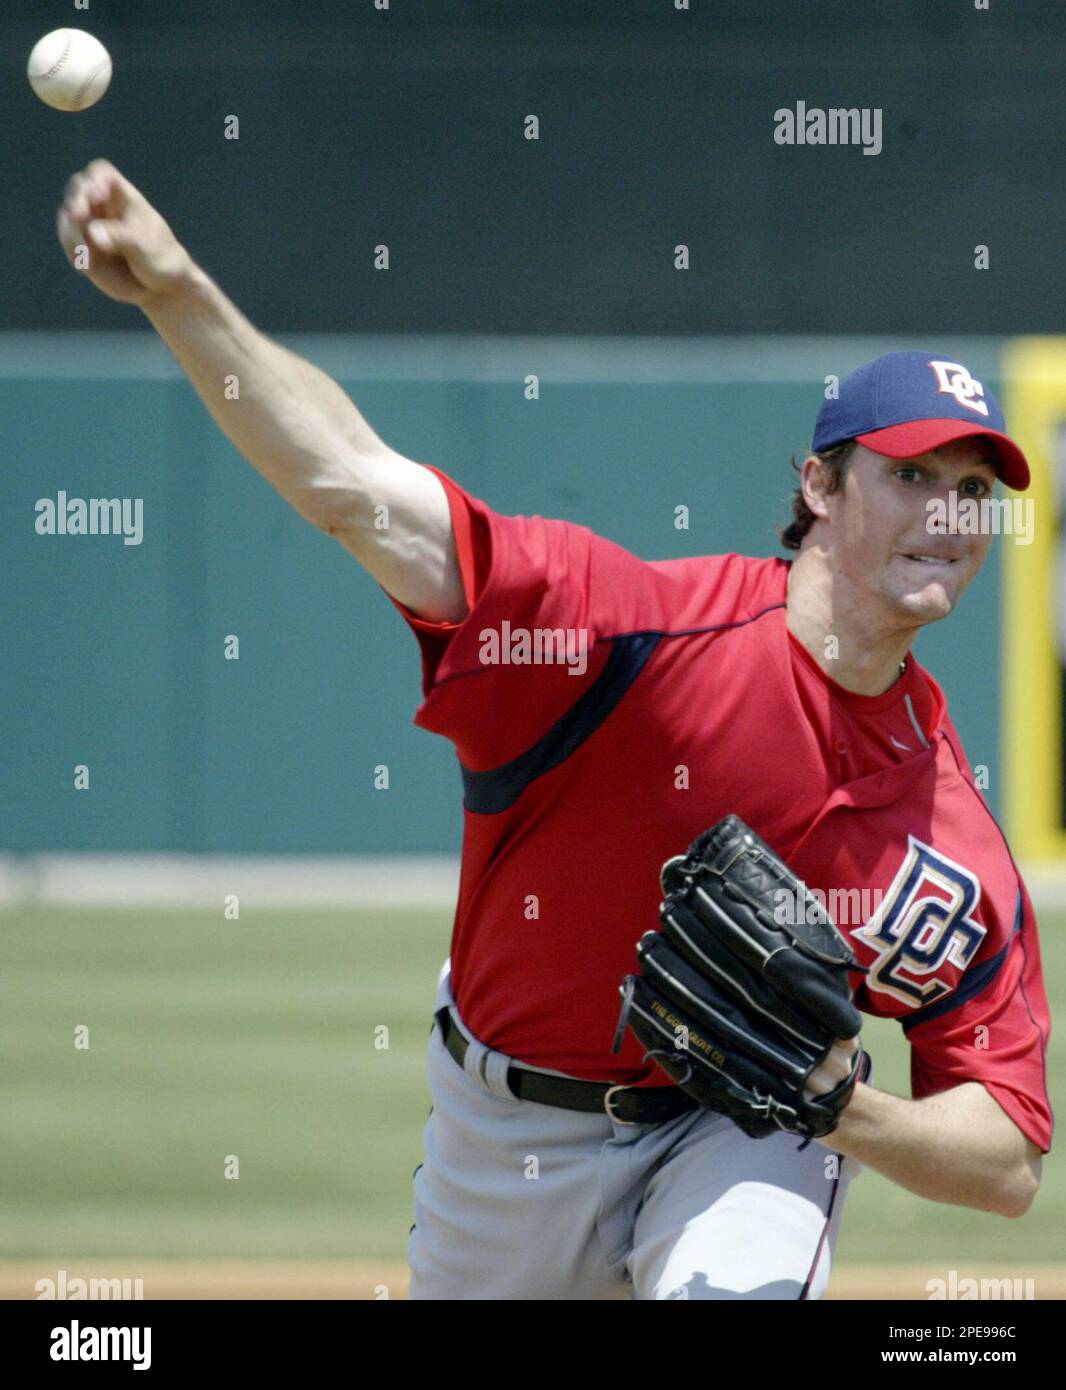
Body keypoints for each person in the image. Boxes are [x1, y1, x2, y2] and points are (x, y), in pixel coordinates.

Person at [57, 160, 1052, 1302]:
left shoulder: (947, 834)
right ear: (821, 486)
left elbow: (1010, 1159)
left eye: (973, 490)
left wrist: (838, 1106)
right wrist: (178, 291)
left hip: (742, 1133)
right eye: (912, 474)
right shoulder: (632, 637)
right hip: (506, 1129)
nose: (948, 514)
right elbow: (351, 487)